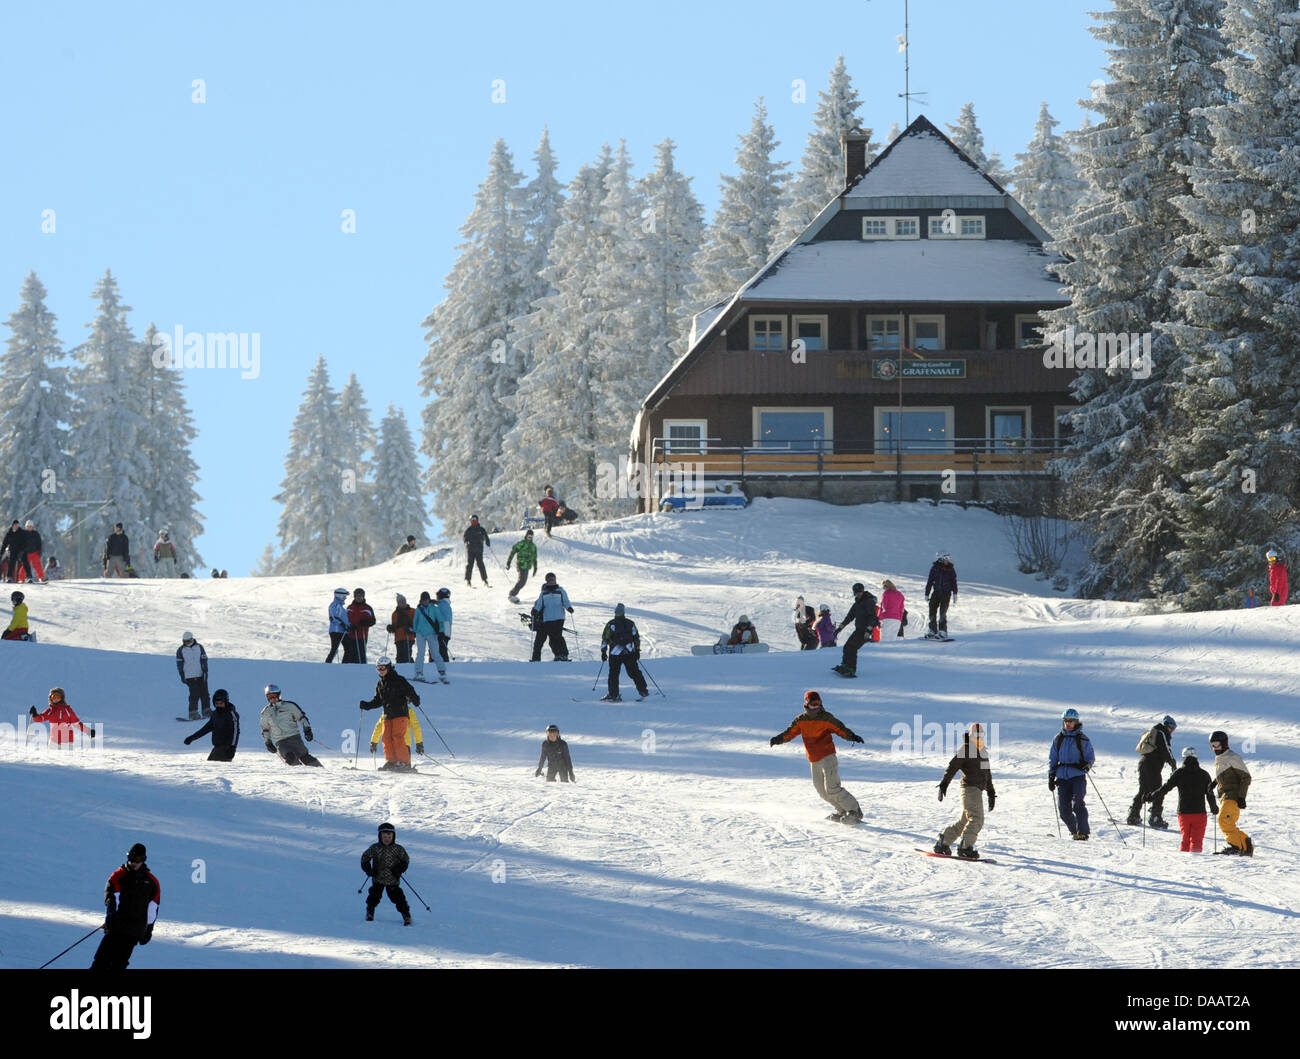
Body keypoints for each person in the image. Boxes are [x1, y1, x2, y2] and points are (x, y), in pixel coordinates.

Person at [769, 690, 864, 823]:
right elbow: (790, 733)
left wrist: (852, 736)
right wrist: (778, 739)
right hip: (814, 759)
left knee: (832, 788)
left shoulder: (826, 718)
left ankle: (854, 811)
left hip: (827, 756)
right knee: (822, 791)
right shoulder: (801, 720)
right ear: (806, 704)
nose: (816, 707)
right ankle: (842, 811)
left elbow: (840, 729)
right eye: (813, 704)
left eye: (818, 704)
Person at [90, 843, 160, 970]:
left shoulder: (151, 882)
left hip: (134, 930)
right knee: (101, 961)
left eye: (137, 859)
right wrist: (111, 916)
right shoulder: (119, 875)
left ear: (143, 860)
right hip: (117, 926)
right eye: (131, 858)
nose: (134, 862)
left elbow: (152, 908)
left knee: (119, 964)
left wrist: (148, 930)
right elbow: (111, 897)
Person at [935, 722, 996, 859]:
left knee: (964, 821)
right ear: (970, 734)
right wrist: (944, 783)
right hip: (970, 789)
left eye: (981, 735)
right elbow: (953, 766)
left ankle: (944, 841)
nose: (978, 737)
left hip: (977, 790)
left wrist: (991, 793)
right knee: (977, 818)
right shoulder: (966, 749)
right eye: (976, 734)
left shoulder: (983, 751)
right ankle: (965, 847)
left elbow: (987, 773)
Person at [1150, 747, 1218, 852]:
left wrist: (1151, 796)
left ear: (1184, 757)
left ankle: (1185, 863)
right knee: (1197, 841)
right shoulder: (1204, 774)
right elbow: (1210, 794)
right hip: (1199, 813)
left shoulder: (1179, 773)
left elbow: (1165, 788)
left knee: (1185, 840)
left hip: (1183, 812)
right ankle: (1196, 863)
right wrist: (1213, 807)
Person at [360, 657, 421, 771]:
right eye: (378, 669)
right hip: (387, 715)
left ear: (388, 667)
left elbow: (410, 690)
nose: (381, 671)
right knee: (386, 738)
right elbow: (378, 701)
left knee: (397, 737)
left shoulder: (399, 680)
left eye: (382, 668)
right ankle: (391, 761)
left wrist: (415, 699)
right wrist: (367, 705)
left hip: (400, 713)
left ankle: (404, 763)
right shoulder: (380, 684)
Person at [1049, 707, 1095, 840]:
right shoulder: (1058, 739)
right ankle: (1074, 830)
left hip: (1077, 777)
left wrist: (1085, 765)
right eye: (1065, 721)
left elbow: (1090, 757)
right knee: (1063, 810)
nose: (1068, 723)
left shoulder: (1083, 739)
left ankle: (1083, 833)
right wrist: (1051, 776)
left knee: (1078, 803)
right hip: (1062, 777)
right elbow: (1053, 758)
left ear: (1076, 722)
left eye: (1071, 721)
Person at [1126, 715, 1178, 828]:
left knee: (1143, 790)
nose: (1172, 731)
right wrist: (1173, 763)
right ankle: (1156, 817)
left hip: (1143, 763)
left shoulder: (1154, 732)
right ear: (1167, 726)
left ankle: (1133, 815)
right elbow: (1166, 750)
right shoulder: (1162, 733)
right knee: (1159, 791)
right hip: (1152, 766)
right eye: (1172, 728)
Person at [1208, 730, 1253, 855]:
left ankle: (1238, 846)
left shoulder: (1232, 757)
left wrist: (1241, 797)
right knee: (1226, 822)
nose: (1215, 748)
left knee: (1224, 820)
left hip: (1232, 796)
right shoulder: (1220, 758)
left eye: (1217, 744)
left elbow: (1246, 777)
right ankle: (1244, 844)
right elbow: (1227, 775)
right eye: (1212, 745)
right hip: (1225, 796)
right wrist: (1214, 783)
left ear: (1224, 743)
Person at [259, 684, 323, 766]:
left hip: (294, 738)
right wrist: (268, 742)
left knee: (305, 757)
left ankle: (320, 771)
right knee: (290, 758)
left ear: (279, 695)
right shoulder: (266, 712)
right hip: (280, 742)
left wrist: (307, 730)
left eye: (274, 696)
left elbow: (302, 718)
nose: (272, 699)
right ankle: (299, 775)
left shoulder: (289, 706)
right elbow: (265, 729)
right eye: (270, 697)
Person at [361, 822, 411, 924]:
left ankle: (406, 914)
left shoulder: (398, 849)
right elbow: (365, 858)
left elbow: (405, 860)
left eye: (389, 836)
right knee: (374, 896)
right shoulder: (375, 848)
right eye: (384, 836)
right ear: (380, 836)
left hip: (392, 879)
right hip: (377, 878)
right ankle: (370, 912)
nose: (387, 838)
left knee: (398, 898)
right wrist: (369, 869)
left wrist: (400, 869)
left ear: (393, 836)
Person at [600, 603, 649, 702]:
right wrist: (637, 650)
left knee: (614, 674)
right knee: (635, 672)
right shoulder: (630, 623)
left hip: (615, 653)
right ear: (623, 612)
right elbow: (636, 638)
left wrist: (603, 651)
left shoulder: (611, 624)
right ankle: (644, 691)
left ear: (615, 612)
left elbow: (605, 638)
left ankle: (614, 695)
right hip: (629, 652)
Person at [832, 582, 878, 677]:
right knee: (847, 647)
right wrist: (838, 629)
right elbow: (849, 618)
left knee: (852, 648)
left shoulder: (869, 601)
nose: (858, 594)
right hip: (859, 630)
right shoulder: (857, 604)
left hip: (865, 631)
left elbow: (873, 617)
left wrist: (868, 630)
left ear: (863, 591)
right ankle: (845, 666)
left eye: (860, 592)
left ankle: (851, 669)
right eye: (856, 592)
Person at [184, 688, 240, 761]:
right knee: (210, 766)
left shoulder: (231, 714)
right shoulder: (215, 714)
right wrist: (192, 738)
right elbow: (206, 728)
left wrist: (232, 748)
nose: (219, 706)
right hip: (217, 748)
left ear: (226, 702)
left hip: (226, 749)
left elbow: (235, 732)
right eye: (217, 704)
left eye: (221, 703)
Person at [530, 572, 573, 662]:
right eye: (549, 580)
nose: (551, 581)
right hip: (548, 618)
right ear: (546, 581)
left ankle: (563, 655)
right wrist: (535, 610)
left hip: (559, 617)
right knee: (553, 638)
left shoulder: (560, 591)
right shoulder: (544, 593)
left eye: (552, 579)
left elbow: (565, 601)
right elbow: (539, 604)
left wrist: (568, 607)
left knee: (558, 636)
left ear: (555, 580)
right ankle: (558, 655)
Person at [412, 591, 448, 683]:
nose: (425, 601)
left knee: (435, 653)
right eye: (423, 600)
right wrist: (414, 631)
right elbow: (415, 622)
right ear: (421, 600)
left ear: (429, 599)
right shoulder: (419, 610)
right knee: (420, 653)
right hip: (420, 634)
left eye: (426, 599)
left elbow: (440, 620)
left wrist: (441, 632)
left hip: (432, 634)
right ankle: (419, 672)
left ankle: (442, 672)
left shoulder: (434, 609)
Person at [175, 631, 211, 720]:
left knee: (204, 693)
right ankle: (193, 712)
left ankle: (206, 710)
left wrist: (205, 671)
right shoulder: (181, 650)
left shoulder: (199, 647)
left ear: (192, 639)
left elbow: (204, 659)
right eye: (184, 641)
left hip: (201, 675)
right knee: (194, 694)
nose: (186, 643)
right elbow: (179, 664)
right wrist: (182, 675)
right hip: (189, 676)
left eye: (188, 641)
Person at [925, 553, 958, 637]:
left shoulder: (950, 569)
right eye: (946, 558)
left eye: (948, 558)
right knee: (932, 611)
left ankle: (942, 631)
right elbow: (930, 581)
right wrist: (927, 593)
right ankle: (932, 630)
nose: (948, 560)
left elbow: (954, 582)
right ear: (940, 559)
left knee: (942, 613)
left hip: (946, 594)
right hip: (936, 593)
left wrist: (955, 593)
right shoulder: (934, 569)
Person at [506, 529, 538, 604]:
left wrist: (535, 568)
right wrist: (509, 561)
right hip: (521, 564)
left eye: (531, 537)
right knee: (521, 580)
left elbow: (534, 557)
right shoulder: (522, 543)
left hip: (527, 566)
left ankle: (513, 594)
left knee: (523, 582)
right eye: (528, 536)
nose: (530, 538)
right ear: (526, 536)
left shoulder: (533, 546)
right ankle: (512, 594)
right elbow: (513, 550)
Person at [344, 588, 376, 664]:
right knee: (350, 654)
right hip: (350, 635)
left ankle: (362, 669)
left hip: (362, 635)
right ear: (354, 596)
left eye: (361, 596)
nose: (359, 597)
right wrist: (349, 626)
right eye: (357, 596)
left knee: (361, 654)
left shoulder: (367, 608)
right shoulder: (349, 607)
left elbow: (373, 621)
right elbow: (345, 620)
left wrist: (365, 623)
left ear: (363, 597)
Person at [463, 514, 491, 587]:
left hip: (479, 549)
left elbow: (486, 536)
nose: (473, 521)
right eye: (472, 520)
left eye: (475, 520)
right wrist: (466, 541)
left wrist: (487, 541)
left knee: (480, 564)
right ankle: (468, 580)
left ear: (477, 520)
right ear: (470, 521)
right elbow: (465, 537)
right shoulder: (469, 530)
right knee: (470, 564)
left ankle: (485, 580)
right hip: (471, 549)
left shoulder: (481, 529)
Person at [389, 594, 415, 664]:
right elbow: (394, 626)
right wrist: (391, 628)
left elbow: (417, 624)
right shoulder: (394, 614)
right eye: (401, 601)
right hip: (399, 638)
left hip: (409, 636)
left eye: (404, 601)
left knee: (407, 656)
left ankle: (411, 667)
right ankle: (400, 670)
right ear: (398, 603)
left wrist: (411, 628)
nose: (403, 603)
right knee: (399, 657)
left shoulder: (412, 611)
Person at [326, 587, 350, 663]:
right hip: (336, 631)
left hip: (343, 631)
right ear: (340, 595)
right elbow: (333, 618)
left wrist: (349, 625)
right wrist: (343, 624)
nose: (345, 598)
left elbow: (344, 619)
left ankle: (344, 665)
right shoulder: (334, 605)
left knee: (348, 649)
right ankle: (327, 664)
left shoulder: (341, 607)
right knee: (334, 649)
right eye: (344, 596)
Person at [434, 587, 453, 663]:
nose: (437, 597)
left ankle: (445, 665)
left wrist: (440, 631)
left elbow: (442, 619)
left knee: (441, 650)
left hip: (442, 631)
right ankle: (445, 664)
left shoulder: (442, 605)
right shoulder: (446, 605)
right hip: (446, 631)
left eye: (438, 595)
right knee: (442, 649)